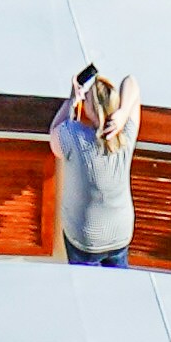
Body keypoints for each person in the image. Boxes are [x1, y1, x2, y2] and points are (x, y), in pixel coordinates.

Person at [50, 61, 138, 267]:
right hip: (120, 234)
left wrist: (71, 101)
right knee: (118, 284)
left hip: (86, 239)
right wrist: (123, 113)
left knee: (89, 284)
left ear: (92, 111)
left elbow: (54, 137)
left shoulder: (74, 135)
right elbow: (132, 82)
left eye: (87, 99)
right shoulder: (126, 134)